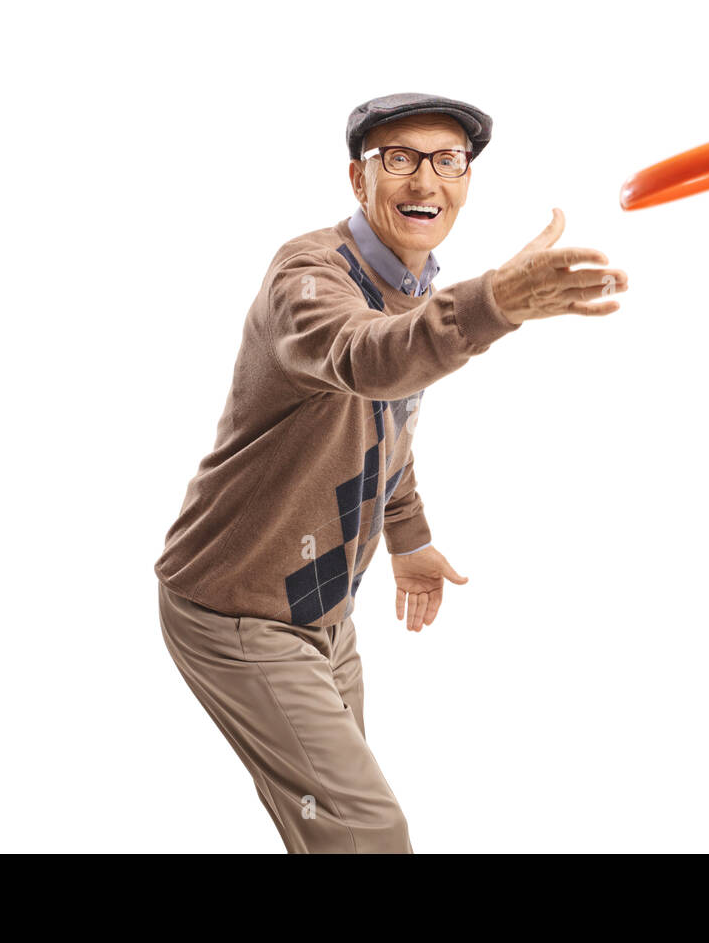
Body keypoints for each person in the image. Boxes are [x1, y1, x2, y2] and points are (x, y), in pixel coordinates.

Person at [154, 92, 628, 853]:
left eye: (448, 162)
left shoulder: (412, 290)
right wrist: (495, 302)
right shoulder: (307, 277)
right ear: (357, 179)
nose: (425, 182)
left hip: (322, 610)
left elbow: (387, 423)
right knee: (368, 832)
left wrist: (409, 539)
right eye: (399, 160)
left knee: (333, 831)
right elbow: (369, 360)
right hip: (236, 611)